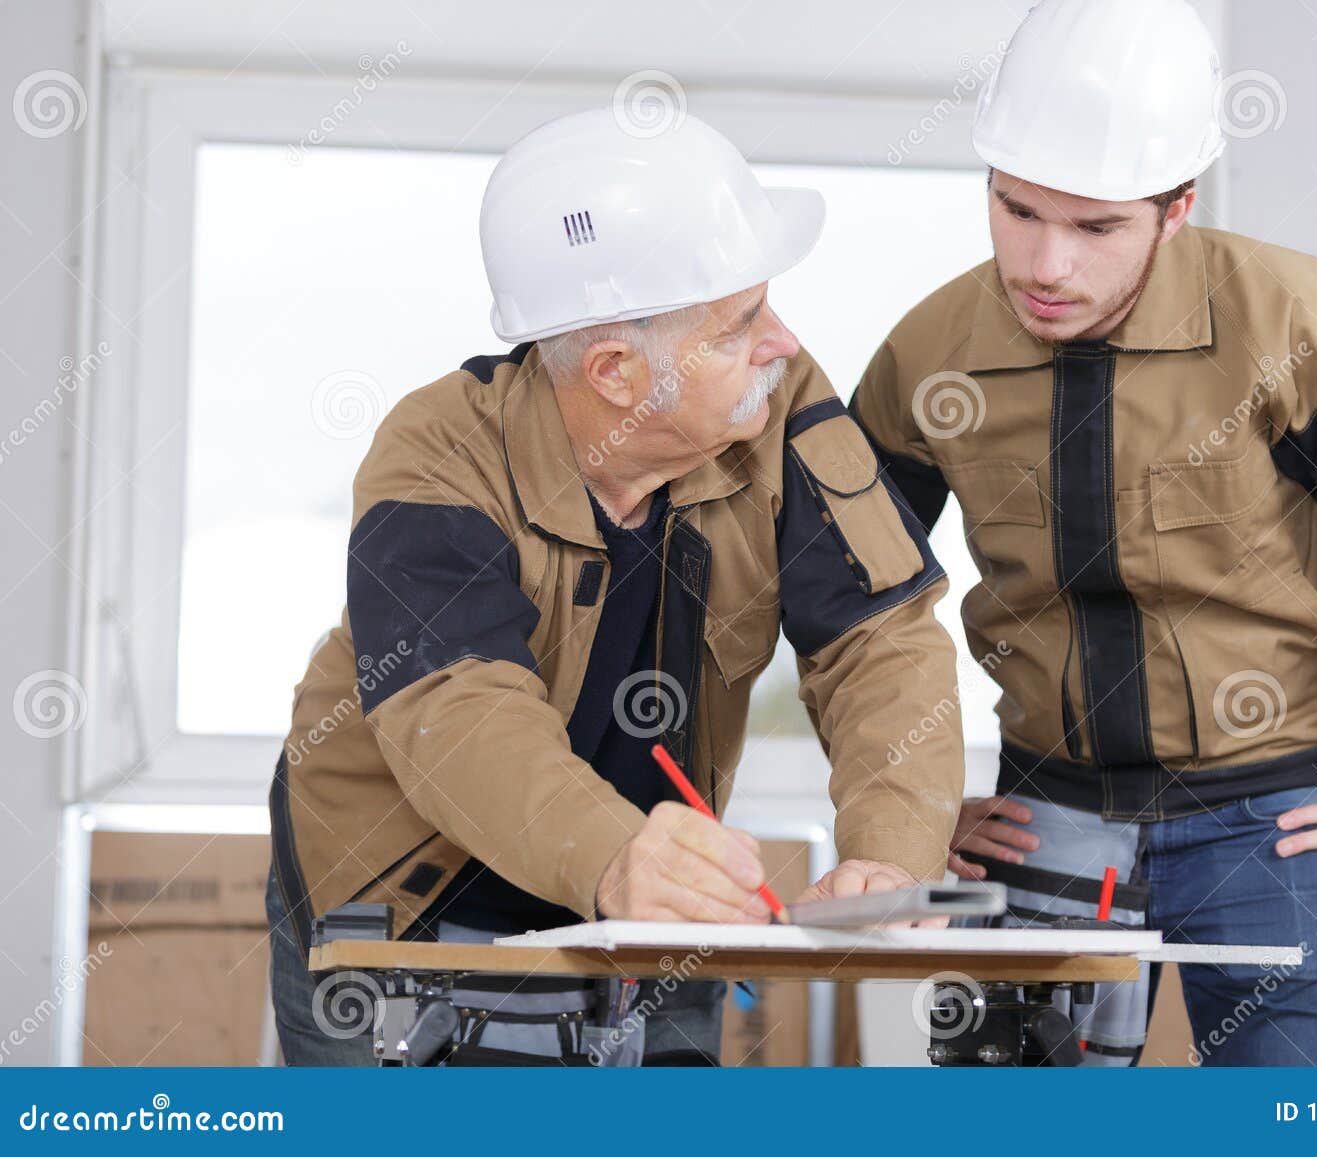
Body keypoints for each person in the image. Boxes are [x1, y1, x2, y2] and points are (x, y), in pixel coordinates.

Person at [850, 0, 1317, 1065]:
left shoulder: (1295, 321)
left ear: (1175, 207)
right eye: (1017, 210)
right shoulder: (932, 350)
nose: (1045, 264)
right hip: (1043, 821)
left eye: (1096, 226)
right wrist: (910, 804)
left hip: (1271, 824)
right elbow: (853, 607)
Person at [266, 108, 964, 1066]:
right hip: (415, 891)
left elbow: (880, 641)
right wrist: (610, 858)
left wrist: (889, 853)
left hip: (649, 882)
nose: (784, 341)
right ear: (617, 371)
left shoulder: (776, 403)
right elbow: (460, 710)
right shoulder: (437, 455)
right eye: (740, 323)